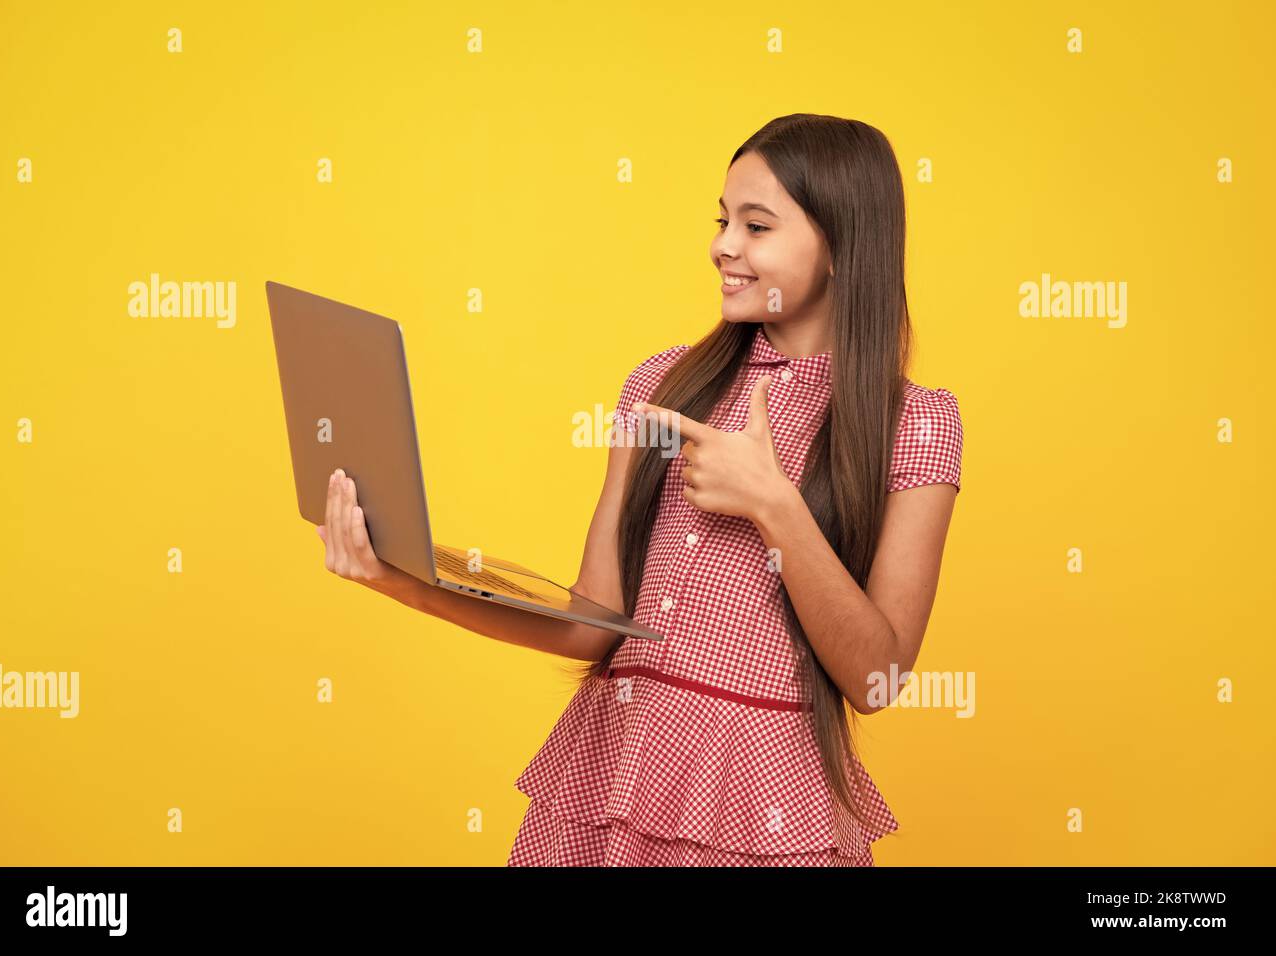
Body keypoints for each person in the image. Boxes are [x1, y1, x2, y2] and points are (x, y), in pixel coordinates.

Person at [317, 113, 964, 866]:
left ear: (844, 249)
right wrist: (402, 580)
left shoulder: (916, 424)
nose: (724, 246)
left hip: (765, 809)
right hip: (610, 784)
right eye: (723, 221)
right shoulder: (662, 388)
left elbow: (877, 678)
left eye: (757, 227)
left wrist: (773, 504)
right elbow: (591, 626)